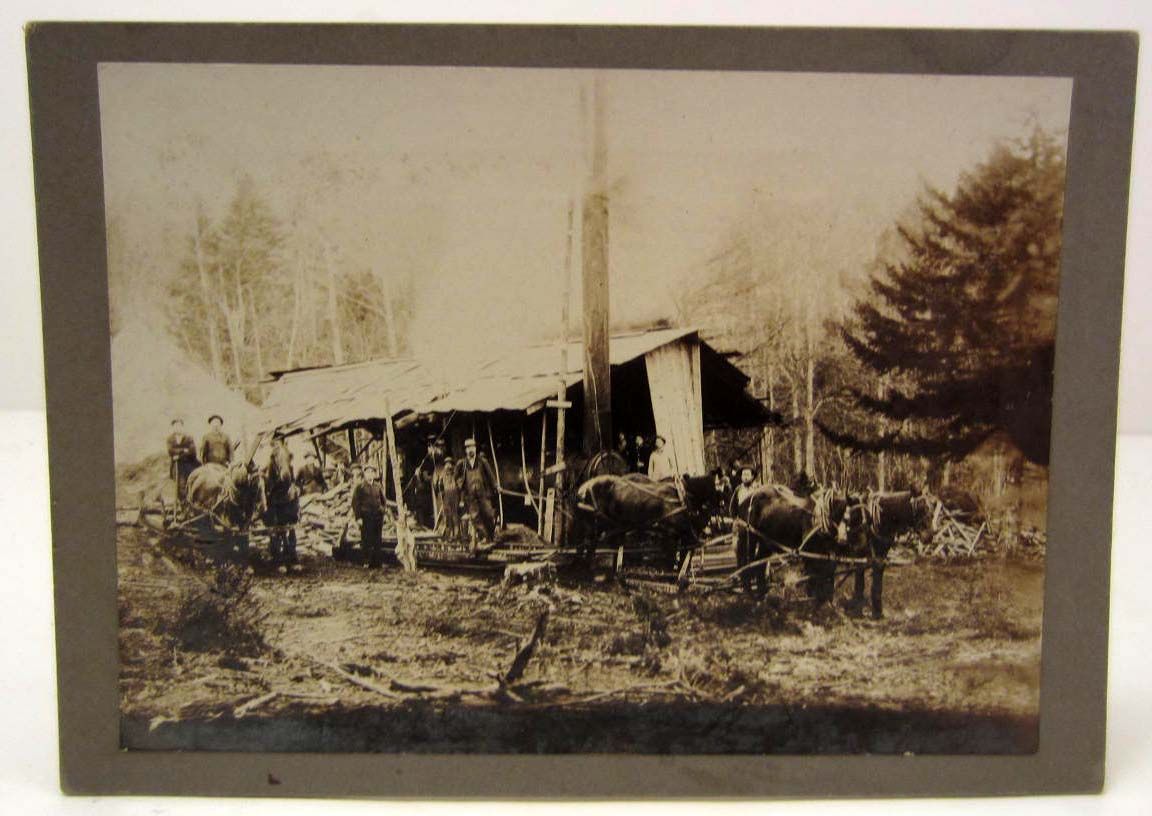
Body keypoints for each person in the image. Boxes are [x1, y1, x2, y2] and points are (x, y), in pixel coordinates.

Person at [263, 434, 300, 565]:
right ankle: (277, 558)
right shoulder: (271, 461)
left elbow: (291, 476)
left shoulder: (287, 458)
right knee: (276, 527)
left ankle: (292, 555)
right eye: (276, 442)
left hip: (286, 498)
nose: (278, 444)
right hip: (275, 497)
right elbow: (268, 480)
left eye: (280, 441)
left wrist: (293, 486)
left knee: (290, 526)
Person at [457, 437, 499, 543]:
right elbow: (456, 477)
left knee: (489, 514)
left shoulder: (482, 461)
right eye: (468, 448)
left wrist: (496, 486)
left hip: (483, 493)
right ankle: (483, 537)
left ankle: (491, 536)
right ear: (465, 450)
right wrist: (460, 484)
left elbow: (490, 475)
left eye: (472, 447)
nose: (470, 450)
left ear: (475, 448)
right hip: (470, 495)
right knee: (475, 517)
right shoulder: (462, 464)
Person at [352, 464, 387, 568]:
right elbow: (355, 503)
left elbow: (383, 500)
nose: (370, 474)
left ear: (374, 474)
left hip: (377, 517)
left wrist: (382, 510)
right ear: (364, 474)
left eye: (372, 472)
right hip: (366, 517)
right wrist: (358, 518)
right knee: (366, 540)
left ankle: (377, 562)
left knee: (377, 540)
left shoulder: (378, 486)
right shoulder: (360, 487)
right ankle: (366, 561)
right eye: (368, 472)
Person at [166, 418, 199, 509]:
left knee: (192, 485)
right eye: (176, 426)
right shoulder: (170, 439)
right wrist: (184, 450)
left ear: (182, 427)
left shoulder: (188, 438)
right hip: (177, 466)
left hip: (190, 465)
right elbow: (170, 451)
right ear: (173, 427)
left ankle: (194, 506)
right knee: (180, 487)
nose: (178, 428)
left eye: (180, 426)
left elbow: (192, 451)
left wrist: (179, 455)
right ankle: (185, 508)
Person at [434, 454, 463, 542]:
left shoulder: (456, 474)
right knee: (447, 515)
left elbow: (460, 486)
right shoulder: (442, 475)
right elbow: (438, 488)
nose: (448, 466)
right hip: (446, 496)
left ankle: (457, 534)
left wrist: (461, 499)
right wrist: (438, 483)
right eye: (446, 464)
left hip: (455, 495)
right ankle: (449, 534)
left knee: (455, 515)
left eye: (450, 464)